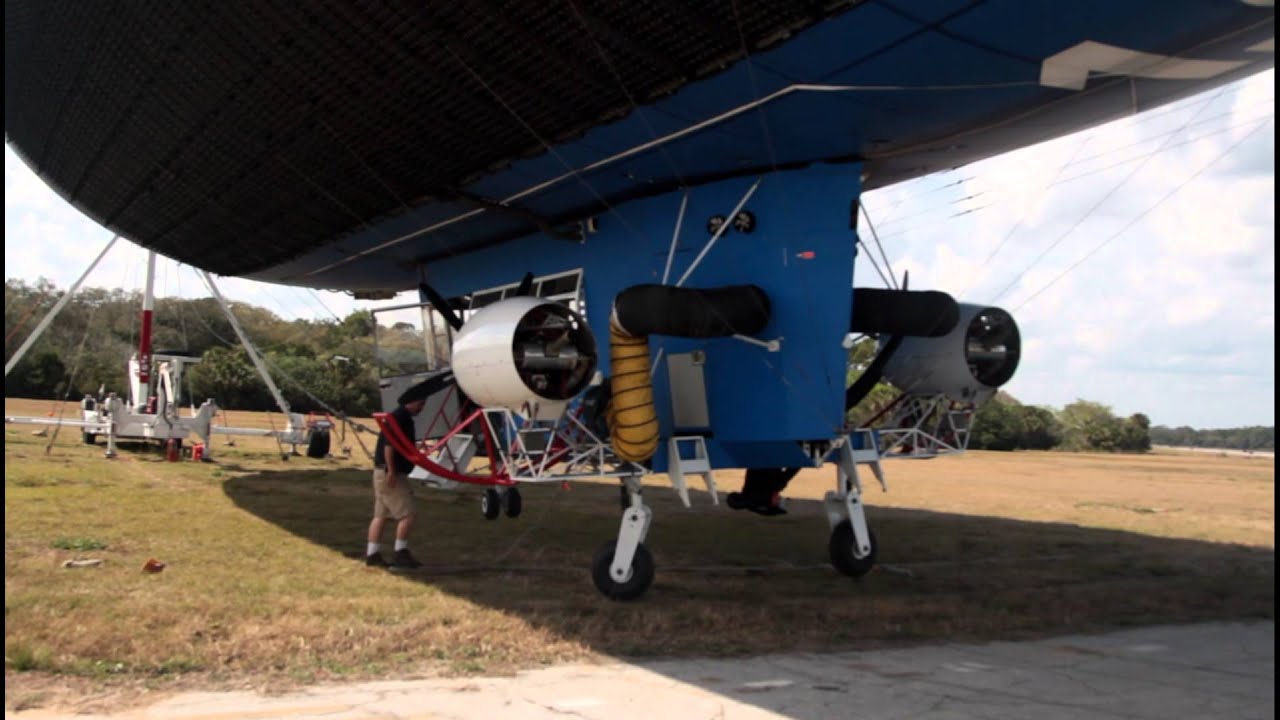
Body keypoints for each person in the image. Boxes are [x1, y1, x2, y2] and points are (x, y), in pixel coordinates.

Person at [366, 383, 430, 569]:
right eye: (420, 404)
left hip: (380, 472)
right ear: (411, 402)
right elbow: (389, 446)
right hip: (390, 473)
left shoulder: (400, 416)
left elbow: (398, 444)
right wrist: (392, 471)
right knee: (408, 515)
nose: (421, 408)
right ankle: (401, 554)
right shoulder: (400, 417)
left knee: (381, 515)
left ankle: (372, 554)